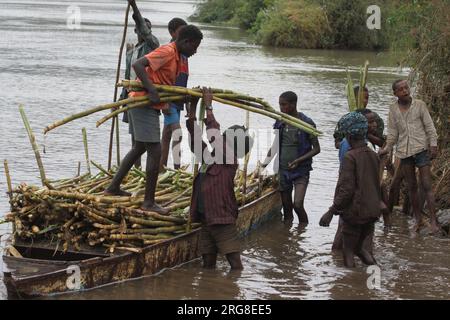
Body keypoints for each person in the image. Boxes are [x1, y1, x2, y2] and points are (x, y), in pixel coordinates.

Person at [104, 25, 203, 215]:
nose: (195, 51)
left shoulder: (177, 57)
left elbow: (165, 86)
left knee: (139, 147)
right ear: (186, 42)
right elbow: (138, 65)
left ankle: (113, 187)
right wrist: (151, 90)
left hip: (148, 104)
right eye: (195, 47)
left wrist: (187, 97)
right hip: (143, 103)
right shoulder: (167, 51)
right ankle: (148, 202)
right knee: (155, 150)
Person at [187, 88, 253, 270]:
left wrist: (209, 106)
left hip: (221, 218)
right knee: (208, 263)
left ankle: (233, 291)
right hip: (206, 218)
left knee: (234, 263)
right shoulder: (210, 158)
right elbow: (195, 141)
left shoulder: (229, 159)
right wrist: (192, 112)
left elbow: (213, 134)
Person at [320, 112, 381, 268]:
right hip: (371, 211)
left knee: (348, 251)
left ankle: (348, 285)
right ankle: (375, 278)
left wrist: (331, 211)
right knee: (360, 249)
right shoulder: (374, 155)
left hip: (356, 212)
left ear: (348, 135)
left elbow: (347, 189)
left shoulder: (350, 157)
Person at [379, 80, 440, 233]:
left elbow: (429, 127)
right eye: (401, 89)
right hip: (404, 152)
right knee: (411, 186)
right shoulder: (393, 109)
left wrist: (433, 145)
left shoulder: (419, 105)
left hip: (421, 149)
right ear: (395, 93)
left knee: (426, 185)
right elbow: (393, 134)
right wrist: (386, 149)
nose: (405, 91)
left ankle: (433, 221)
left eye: (406, 88)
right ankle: (418, 220)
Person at [262, 91, 321, 224]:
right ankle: (289, 238)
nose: (281, 108)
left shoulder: (307, 123)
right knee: (287, 209)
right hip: (283, 170)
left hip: (301, 171)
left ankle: (303, 229)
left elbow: (317, 149)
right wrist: (263, 165)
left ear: (294, 104)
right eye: (280, 105)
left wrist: (298, 161)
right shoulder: (280, 122)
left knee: (298, 205)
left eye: (284, 105)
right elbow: (275, 146)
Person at [120, 0, 160, 168]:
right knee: (135, 136)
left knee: (145, 139)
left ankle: (145, 168)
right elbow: (128, 75)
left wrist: (135, 7)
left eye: (148, 28)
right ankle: (136, 168)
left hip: (144, 95)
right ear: (135, 31)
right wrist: (120, 100)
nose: (146, 31)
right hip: (131, 95)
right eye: (143, 28)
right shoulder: (132, 51)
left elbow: (144, 29)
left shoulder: (152, 46)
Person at [160, 18, 189, 172]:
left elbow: (183, 78)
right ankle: (177, 170)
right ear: (172, 33)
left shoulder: (184, 52)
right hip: (169, 99)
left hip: (178, 100)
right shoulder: (169, 51)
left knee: (167, 135)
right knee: (177, 133)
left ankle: (162, 168)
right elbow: (161, 77)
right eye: (181, 31)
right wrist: (164, 100)